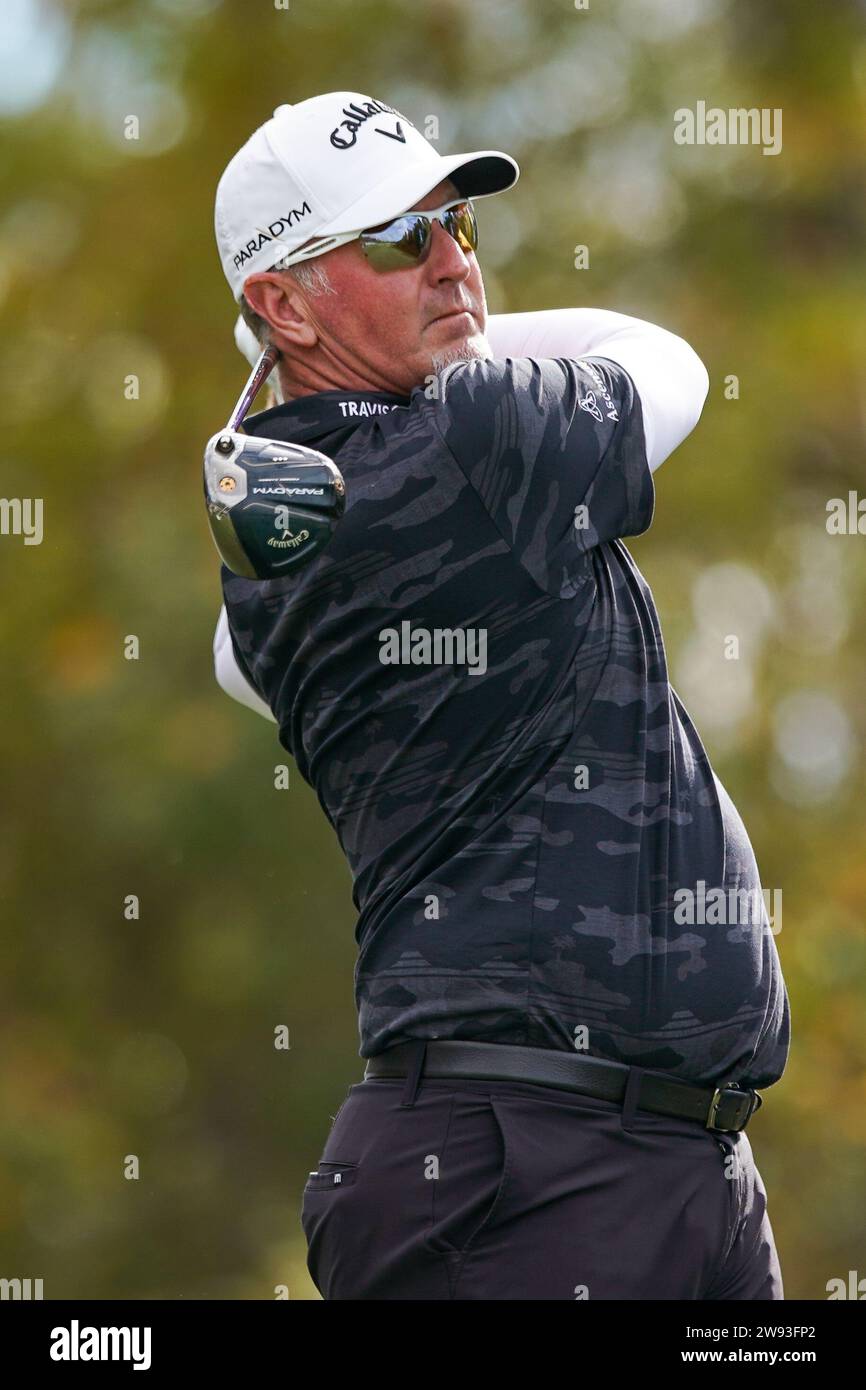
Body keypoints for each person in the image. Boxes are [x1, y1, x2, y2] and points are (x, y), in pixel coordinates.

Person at [210, 92, 790, 1300]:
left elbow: (231, 655)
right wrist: (466, 342)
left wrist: (308, 363)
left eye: (457, 225)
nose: (452, 264)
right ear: (279, 300)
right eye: (393, 241)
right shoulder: (475, 429)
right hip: (525, 1175)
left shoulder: (275, 559)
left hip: (663, 1167)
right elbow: (662, 358)